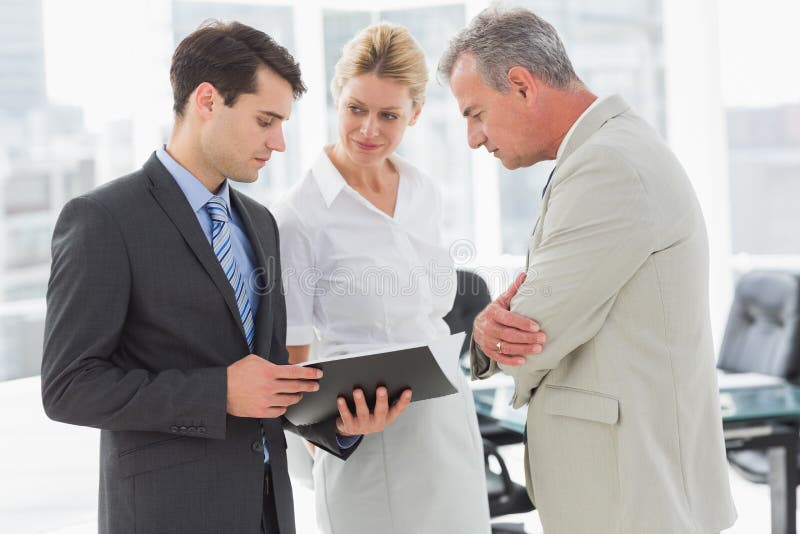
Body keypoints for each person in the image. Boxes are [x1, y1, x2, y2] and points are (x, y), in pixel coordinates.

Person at [41, 21, 410, 534]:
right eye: (265, 120)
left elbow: (270, 380)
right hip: (166, 516)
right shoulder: (105, 219)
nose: (279, 143)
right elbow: (68, 387)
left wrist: (339, 423)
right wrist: (217, 393)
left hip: (267, 512)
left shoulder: (260, 223)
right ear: (208, 100)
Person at [438, 7, 738, 534]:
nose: (473, 138)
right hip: (629, 489)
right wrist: (490, 328)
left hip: (629, 498)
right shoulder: (605, 152)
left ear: (522, 86)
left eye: (475, 113)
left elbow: (532, 332)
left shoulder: (607, 166)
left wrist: (489, 336)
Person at [273, 23, 505, 534]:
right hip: (364, 439)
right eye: (356, 109)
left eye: (389, 115)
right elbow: (291, 359)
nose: (368, 130)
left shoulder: (424, 192)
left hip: (446, 425)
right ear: (337, 97)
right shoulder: (300, 215)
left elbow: (430, 314)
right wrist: (326, 431)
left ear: (416, 114)